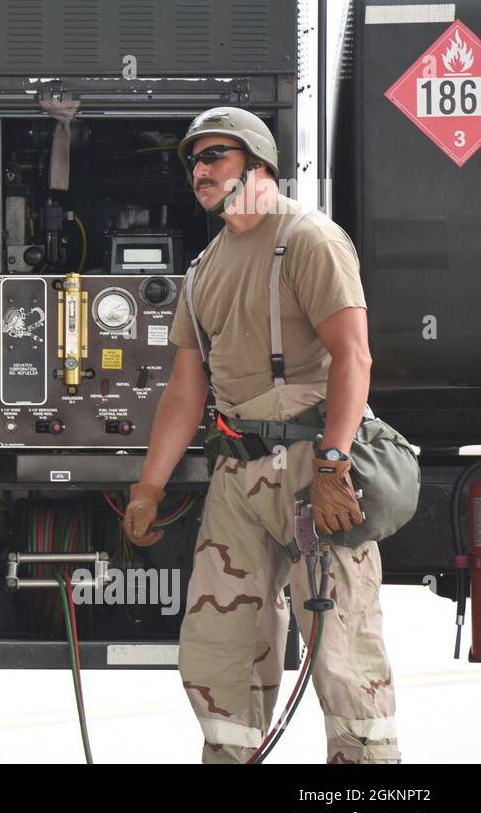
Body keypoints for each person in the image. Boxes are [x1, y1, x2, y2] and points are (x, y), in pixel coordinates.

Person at [123, 108, 399, 764]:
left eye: (214, 155)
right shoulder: (204, 271)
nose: (199, 169)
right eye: (193, 160)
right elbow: (185, 393)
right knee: (220, 648)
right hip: (237, 475)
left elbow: (353, 357)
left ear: (258, 163)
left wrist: (334, 464)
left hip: (313, 466)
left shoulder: (309, 239)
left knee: (341, 648)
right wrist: (147, 489)